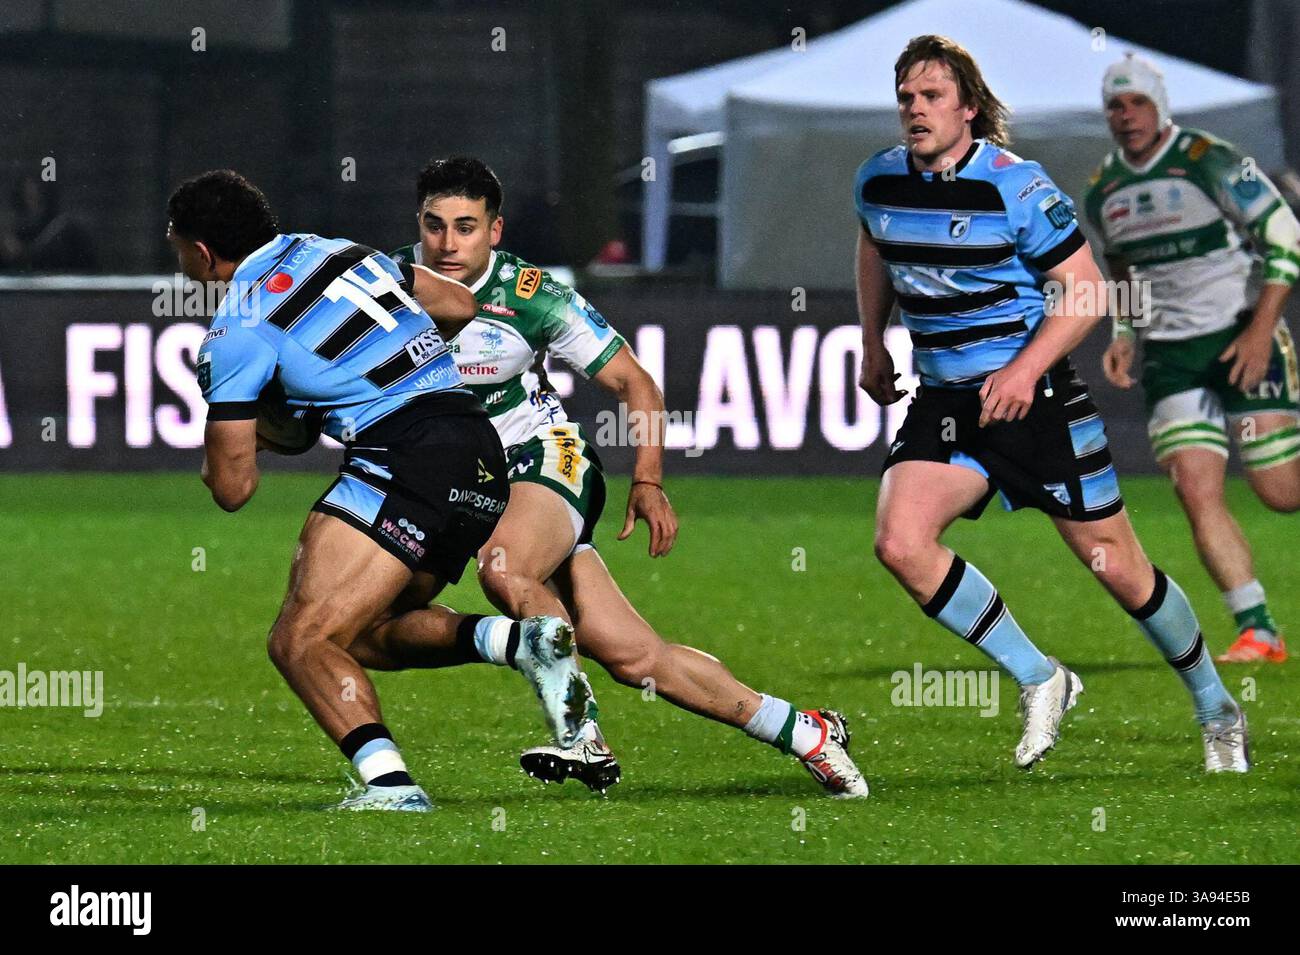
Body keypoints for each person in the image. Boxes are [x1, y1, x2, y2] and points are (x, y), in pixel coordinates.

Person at [344, 155, 870, 798]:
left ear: (495, 231)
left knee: (506, 569)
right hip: (459, 488)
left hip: (543, 460)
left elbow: (634, 382)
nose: (448, 244)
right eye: (435, 226)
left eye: (466, 227)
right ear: (417, 225)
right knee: (636, 658)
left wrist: (647, 481)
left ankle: (580, 733)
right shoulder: (385, 286)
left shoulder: (533, 295)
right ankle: (804, 730)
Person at [856, 36, 1249, 773]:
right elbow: (874, 245)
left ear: (968, 108)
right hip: (946, 403)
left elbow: (1088, 290)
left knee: (1119, 569)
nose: (915, 108)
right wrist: (873, 343)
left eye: (932, 96)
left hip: (1035, 403)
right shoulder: (878, 180)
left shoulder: (1016, 183)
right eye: (906, 96)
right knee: (900, 542)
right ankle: (1042, 674)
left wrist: (1023, 368)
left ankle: (1216, 706)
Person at [171, 169, 588, 812]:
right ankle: (518, 641)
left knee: (298, 641)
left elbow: (232, 489)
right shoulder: (336, 250)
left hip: (403, 455)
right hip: (476, 447)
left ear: (201, 252)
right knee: (363, 634)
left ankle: (392, 789)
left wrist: (250, 433)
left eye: (176, 241)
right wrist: (374, 361)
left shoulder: (236, 328)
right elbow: (459, 305)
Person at [1088, 53, 1300, 664]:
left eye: (1136, 103)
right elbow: (1122, 269)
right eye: (1115, 106)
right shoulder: (1104, 189)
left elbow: (1285, 237)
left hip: (1240, 338)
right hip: (1173, 360)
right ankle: (1259, 629)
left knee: (1282, 492)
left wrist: (1261, 331)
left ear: (1160, 107)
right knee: (1195, 490)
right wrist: (1126, 330)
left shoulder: (1210, 161)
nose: (1125, 116)